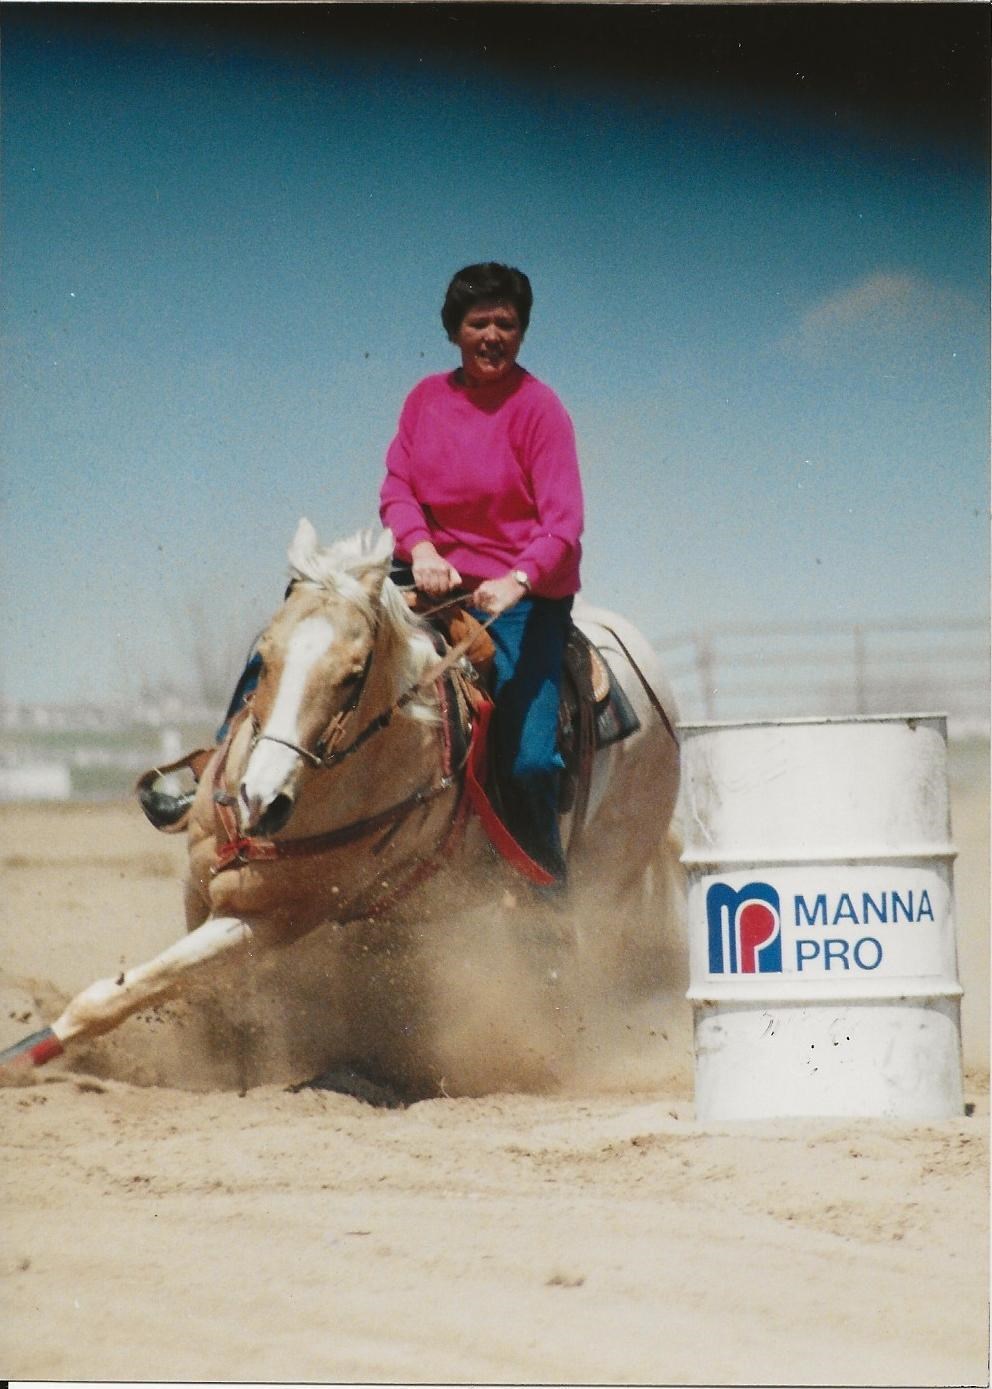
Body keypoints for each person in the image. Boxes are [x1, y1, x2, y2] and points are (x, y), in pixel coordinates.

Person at [380, 262, 584, 887]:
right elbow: (397, 488)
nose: (492, 335)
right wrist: (420, 550)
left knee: (526, 761)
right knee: (318, 628)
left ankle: (547, 903)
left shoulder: (540, 410)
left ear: (522, 333)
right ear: (454, 331)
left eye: (507, 323)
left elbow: (564, 521)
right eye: (478, 323)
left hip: (519, 597)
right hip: (430, 577)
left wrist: (517, 578)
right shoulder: (424, 400)